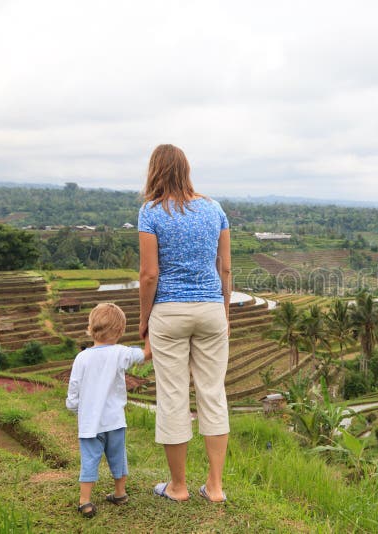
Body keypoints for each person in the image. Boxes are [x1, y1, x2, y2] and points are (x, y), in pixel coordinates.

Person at [138, 144, 231, 504]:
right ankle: (216, 487)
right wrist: (224, 312)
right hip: (210, 308)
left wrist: (144, 320)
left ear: (155, 171)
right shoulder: (214, 209)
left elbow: (149, 275)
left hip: (170, 311)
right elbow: (225, 268)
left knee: (174, 396)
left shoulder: (151, 212)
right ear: (186, 169)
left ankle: (177, 487)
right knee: (213, 393)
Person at [66, 302, 152, 518]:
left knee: (89, 459)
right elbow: (147, 354)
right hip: (114, 420)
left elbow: (74, 388)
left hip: (89, 424)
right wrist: (148, 329)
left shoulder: (81, 357)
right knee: (117, 457)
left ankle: (85, 501)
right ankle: (120, 493)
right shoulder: (121, 353)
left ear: (90, 327)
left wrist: (74, 408)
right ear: (120, 330)